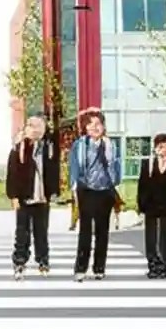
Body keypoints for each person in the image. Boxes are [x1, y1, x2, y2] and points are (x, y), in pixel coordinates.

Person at [68, 110, 122, 282]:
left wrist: (109, 154)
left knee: (102, 231)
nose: (95, 127)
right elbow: (74, 167)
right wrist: (74, 187)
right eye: (90, 124)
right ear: (85, 127)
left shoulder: (111, 145)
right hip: (86, 190)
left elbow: (116, 170)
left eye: (98, 123)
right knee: (85, 230)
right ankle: (80, 268)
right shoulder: (80, 145)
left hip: (105, 190)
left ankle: (99, 267)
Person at [5, 115, 60, 279]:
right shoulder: (19, 148)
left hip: (42, 197)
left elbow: (54, 170)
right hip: (24, 197)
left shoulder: (49, 147)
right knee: (22, 232)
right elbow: (12, 174)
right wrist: (13, 196)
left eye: (39, 126)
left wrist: (54, 191)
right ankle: (20, 261)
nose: (35, 129)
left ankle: (43, 260)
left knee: (41, 231)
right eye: (31, 125)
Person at [136, 132, 166, 279]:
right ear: (155, 149)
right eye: (161, 146)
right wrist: (141, 205)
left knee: (165, 235)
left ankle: (164, 264)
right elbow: (141, 186)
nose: (165, 150)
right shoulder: (148, 164)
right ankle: (153, 264)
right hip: (151, 205)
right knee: (151, 235)